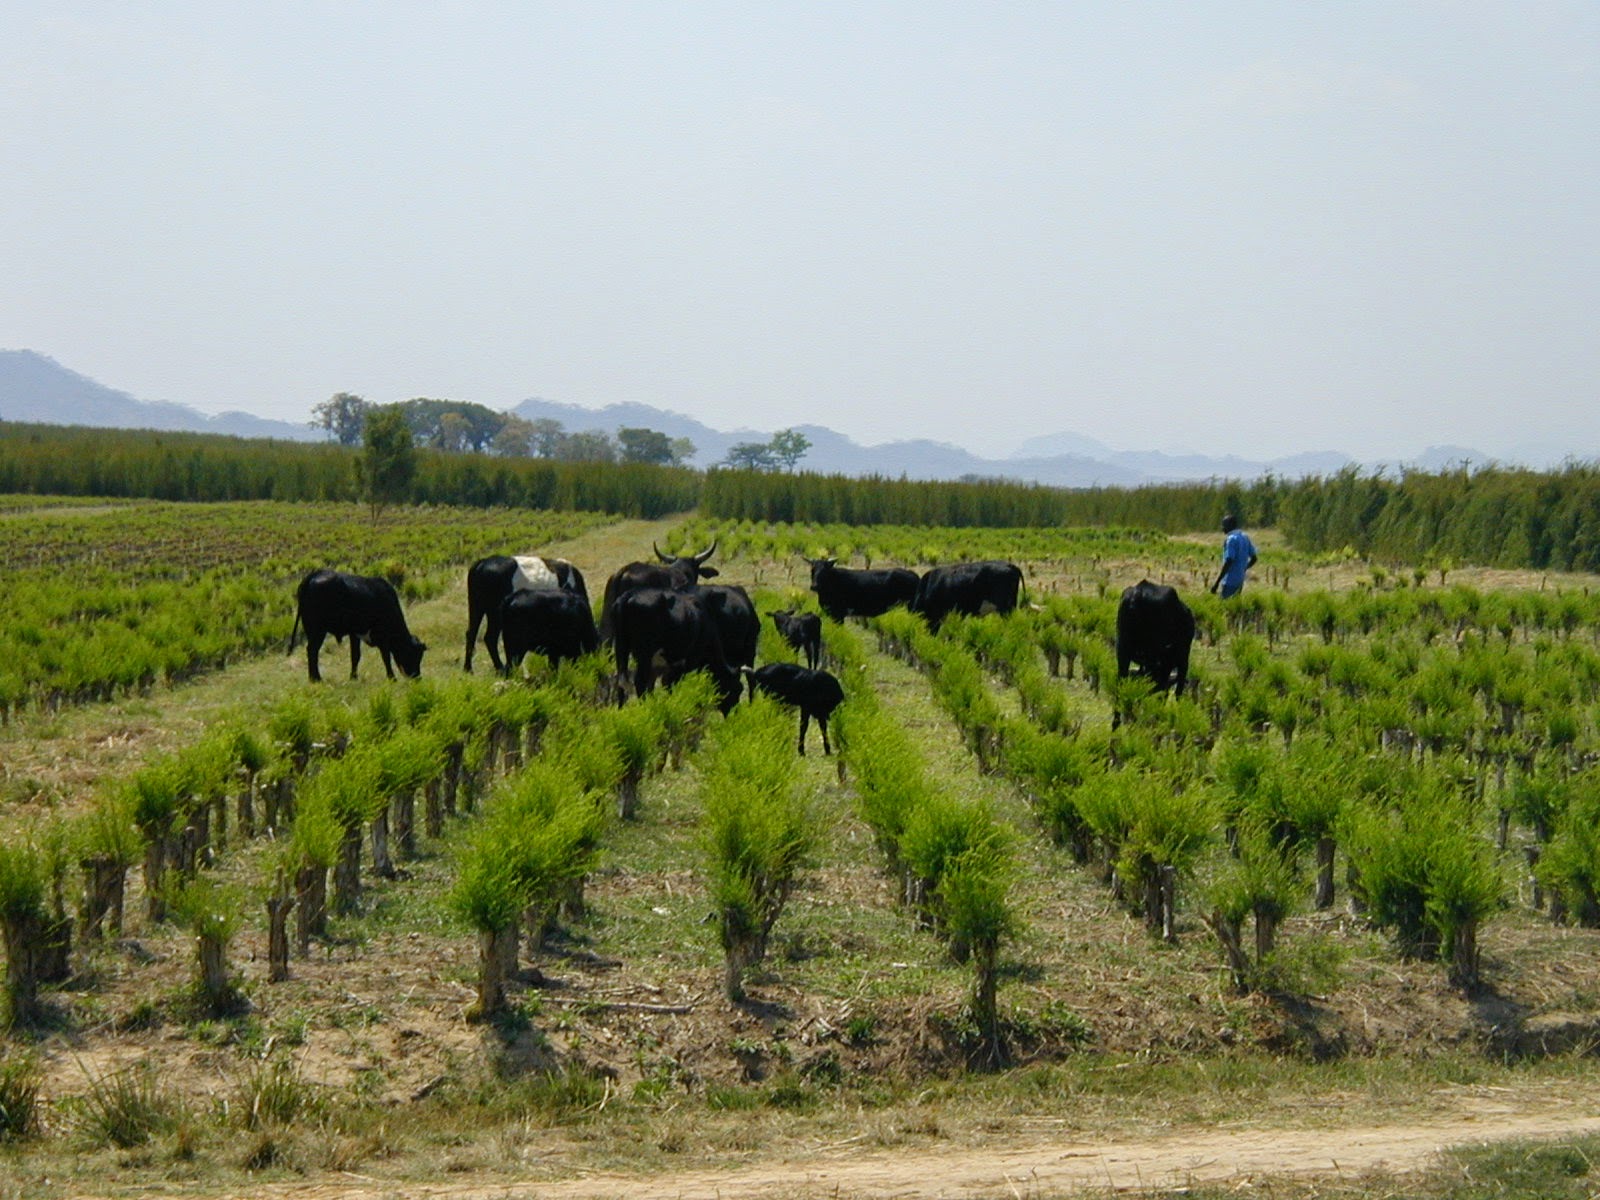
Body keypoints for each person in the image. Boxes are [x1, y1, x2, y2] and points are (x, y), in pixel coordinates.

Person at [1210, 514, 1257, 599]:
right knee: (1235, 606)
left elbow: (1229, 561)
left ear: (1230, 525)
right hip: (1240, 580)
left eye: (1224, 525)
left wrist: (1216, 583)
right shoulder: (1245, 537)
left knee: (1225, 607)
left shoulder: (1231, 539)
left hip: (1229, 581)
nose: (1222, 527)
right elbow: (1254, 558)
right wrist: (1244, 568)